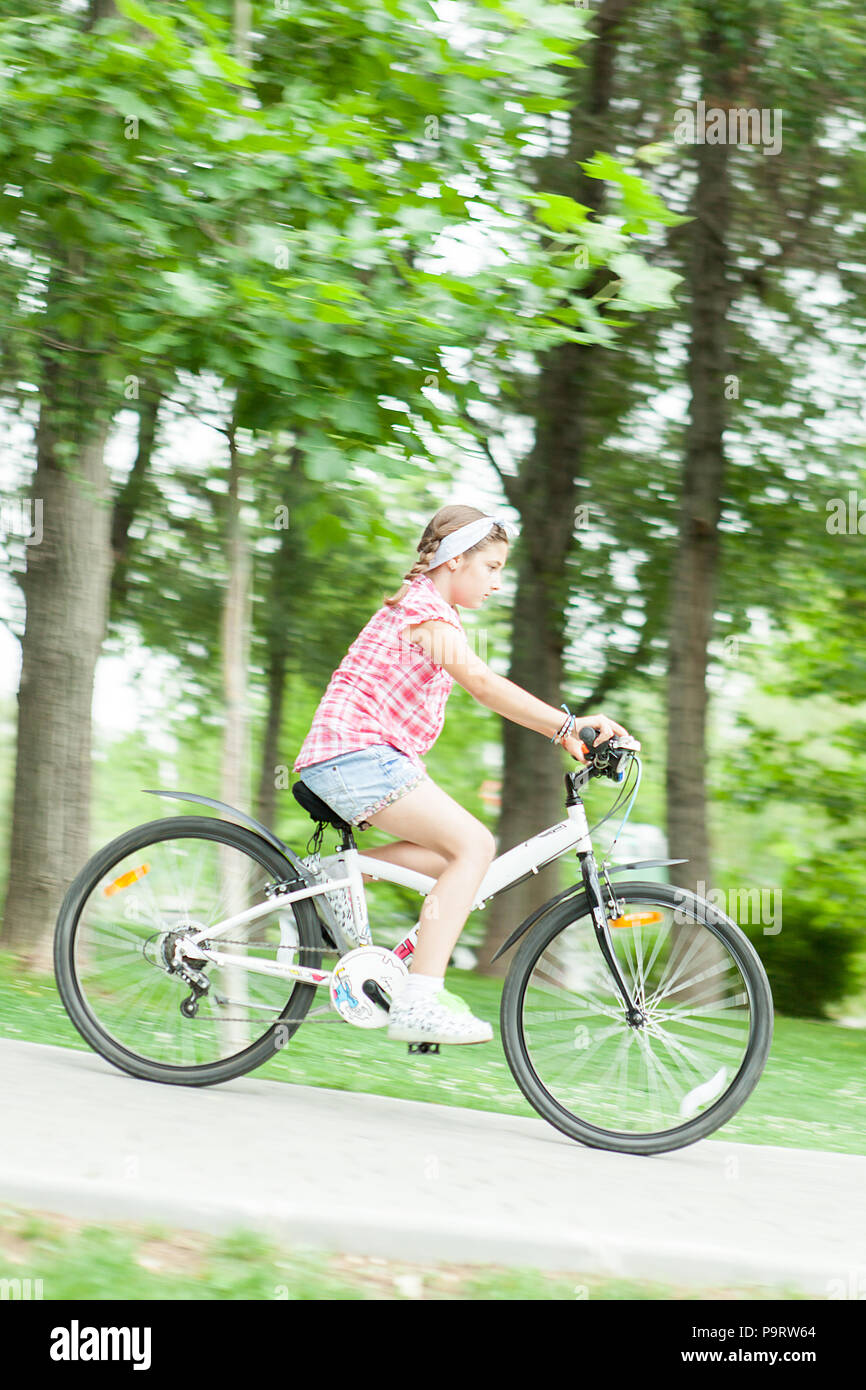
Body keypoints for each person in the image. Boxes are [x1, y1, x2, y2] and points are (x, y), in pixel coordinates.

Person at [292, 503, 638, 1045]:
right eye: (492, 567)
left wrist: (565, 731)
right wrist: (567, 724)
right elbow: (481, 682)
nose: (497, 583)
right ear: (455, 561)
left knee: (451, 864)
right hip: (357, 756)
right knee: (474, 845)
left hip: (360, 759)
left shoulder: (424, 608)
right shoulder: (426, 613)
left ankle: (330, 876)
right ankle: (421, 1000)